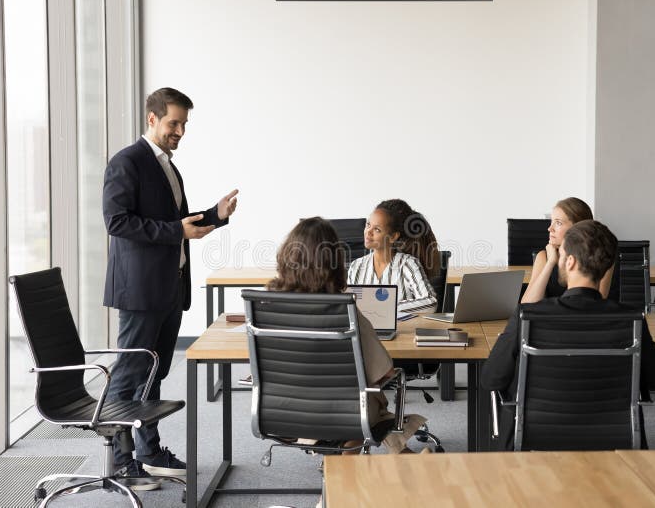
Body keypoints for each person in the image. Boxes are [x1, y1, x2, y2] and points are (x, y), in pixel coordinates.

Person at [102, 87, 239, 489]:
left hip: (168, 288)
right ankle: (121, 462)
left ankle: (149, 451)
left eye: (183, 124)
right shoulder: (128, 162)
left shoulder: (167, 166)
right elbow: (117, 222)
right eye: (173, 123)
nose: (179, 131)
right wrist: (174, 229)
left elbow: (179, 223)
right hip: (140, 291)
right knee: (129, 376)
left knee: (155, 375)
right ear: (152, 118)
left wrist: (216, 215)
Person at [481, 220, 655, 451]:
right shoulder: (631, 318)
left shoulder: (528, 316)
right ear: (606, 267)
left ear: (570, 261)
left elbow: (491, 378)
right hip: (613, 438)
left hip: (534, 437)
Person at [268, 217, 426, 454]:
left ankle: (402, 460)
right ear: (334, 263)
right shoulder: (345, 311)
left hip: (282, 410)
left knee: (354, 402)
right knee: (366, 400)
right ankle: (349, 474)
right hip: (343, 413)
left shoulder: (267, 306)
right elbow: (385, 372)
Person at [347, 199, 438, 313]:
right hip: (367, 329)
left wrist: (387, 307)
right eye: (368, 224)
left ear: (393, 236)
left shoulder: (407, 264)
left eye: (377, 229)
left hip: (402, 329)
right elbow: (350, 307)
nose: (368, 232)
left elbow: (431, 302)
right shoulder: (356, 267)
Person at [520, 197, 612, 303]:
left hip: (586, 318)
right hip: (551, 318)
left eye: (558, 223)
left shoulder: (599, 255)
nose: (550, 229)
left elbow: (596, 303)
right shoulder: (544, 256)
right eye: (551, 222)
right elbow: (527, 306)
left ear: (578, 228)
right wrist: (550, 263)